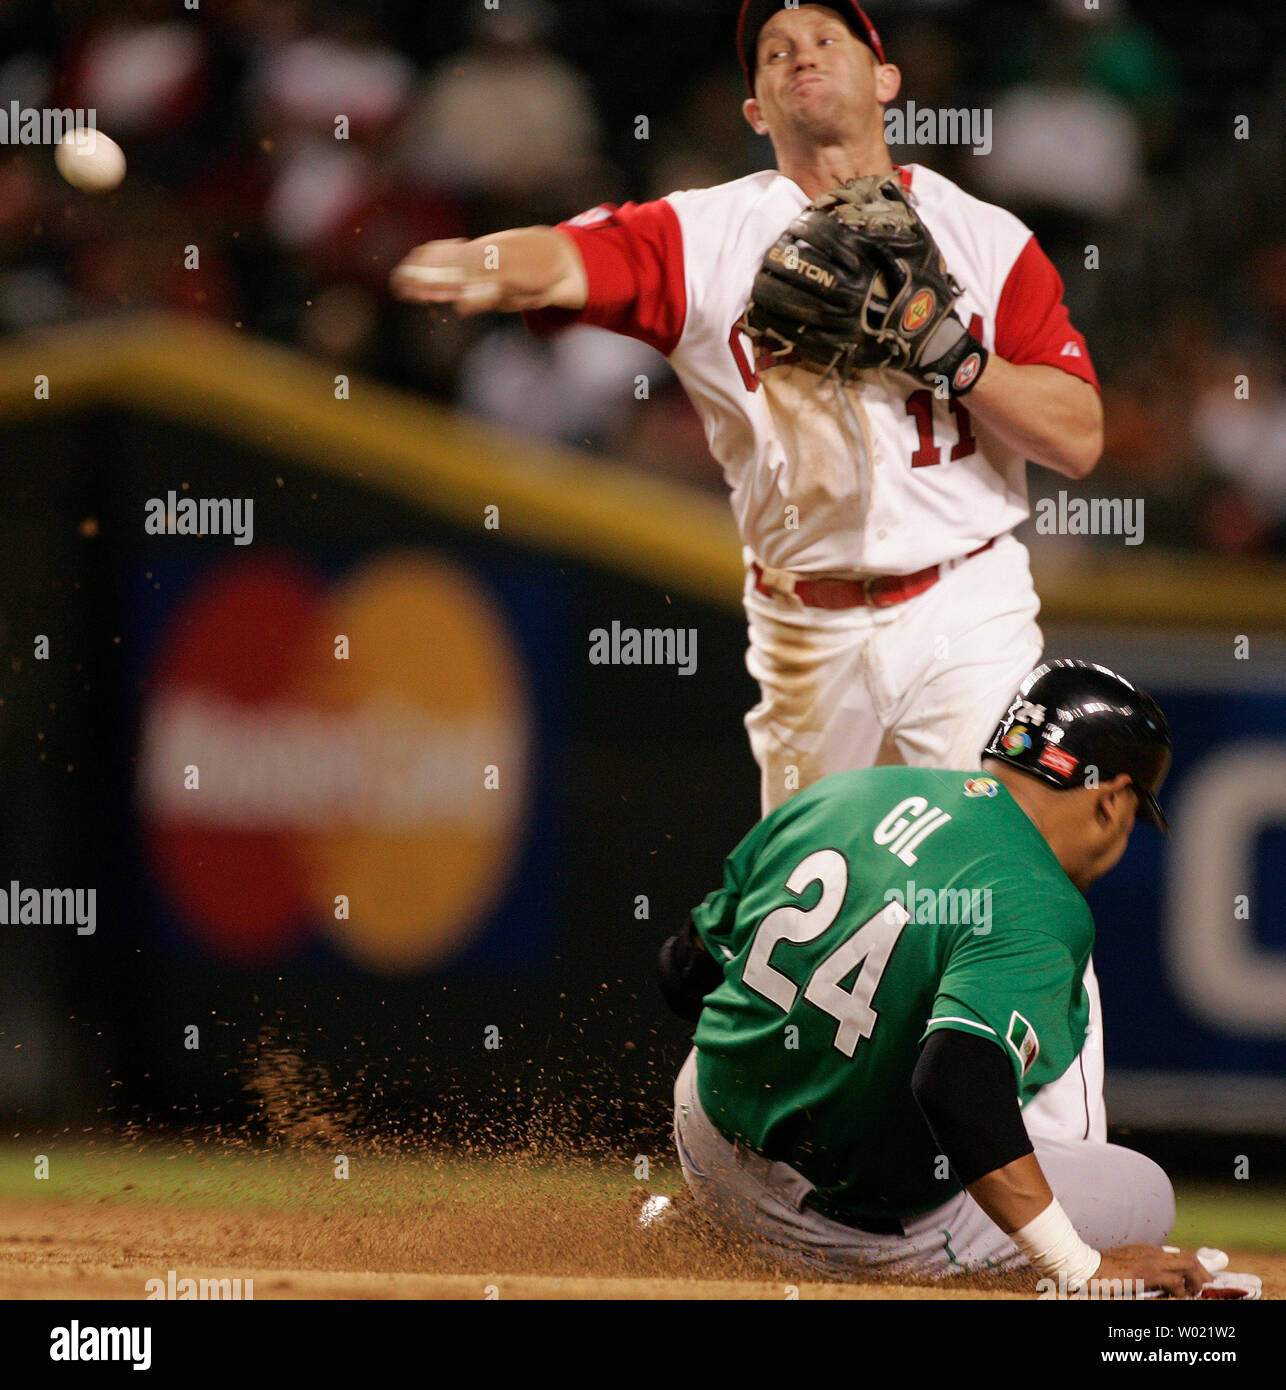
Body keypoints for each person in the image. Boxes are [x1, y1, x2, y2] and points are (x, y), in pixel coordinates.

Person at [389, 3, 1106, 1146]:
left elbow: (1076, 435)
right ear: (749, 107)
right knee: (803, 929)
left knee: (1014, 885)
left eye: (826, 38)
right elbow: (571, 256)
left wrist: (954, 354)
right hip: (806, 631)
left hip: (967, 599)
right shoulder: (709, 233)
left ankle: (1064, 1177)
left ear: (887, 79)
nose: (797, 53)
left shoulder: (983, 238)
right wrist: (487, 263)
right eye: (773, 51)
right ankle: (755, 1183)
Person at [656, 660, 1212, 1294]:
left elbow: (685, 973)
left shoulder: (850, 791)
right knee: (1143, 1194)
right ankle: (794, 1247)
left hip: (705, 1142)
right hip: (845, 1229)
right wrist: (1078, 1266)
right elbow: (954, 1085)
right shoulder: (1039, 899)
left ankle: (701, 1223)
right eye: (1135, 815)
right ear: (1112, 802)